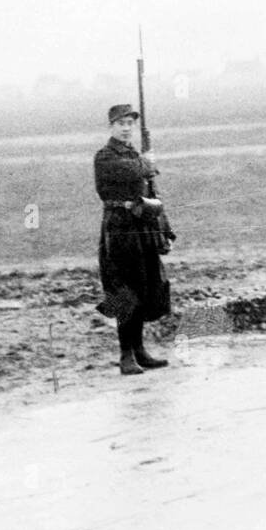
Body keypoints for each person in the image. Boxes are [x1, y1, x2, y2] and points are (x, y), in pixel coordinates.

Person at [95, 103, 174, 375]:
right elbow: (130, 171)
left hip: (142, 228)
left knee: (144, 289)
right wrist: (147, 163)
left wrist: (165, 229)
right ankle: (125, 355)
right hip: (119, 231)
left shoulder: (135, 156)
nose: (127, 128)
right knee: (124, 292)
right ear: (111, 126)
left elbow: (153, 195)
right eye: (121, 123)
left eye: (130, 123)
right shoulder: (104, 157)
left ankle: (139, 350)